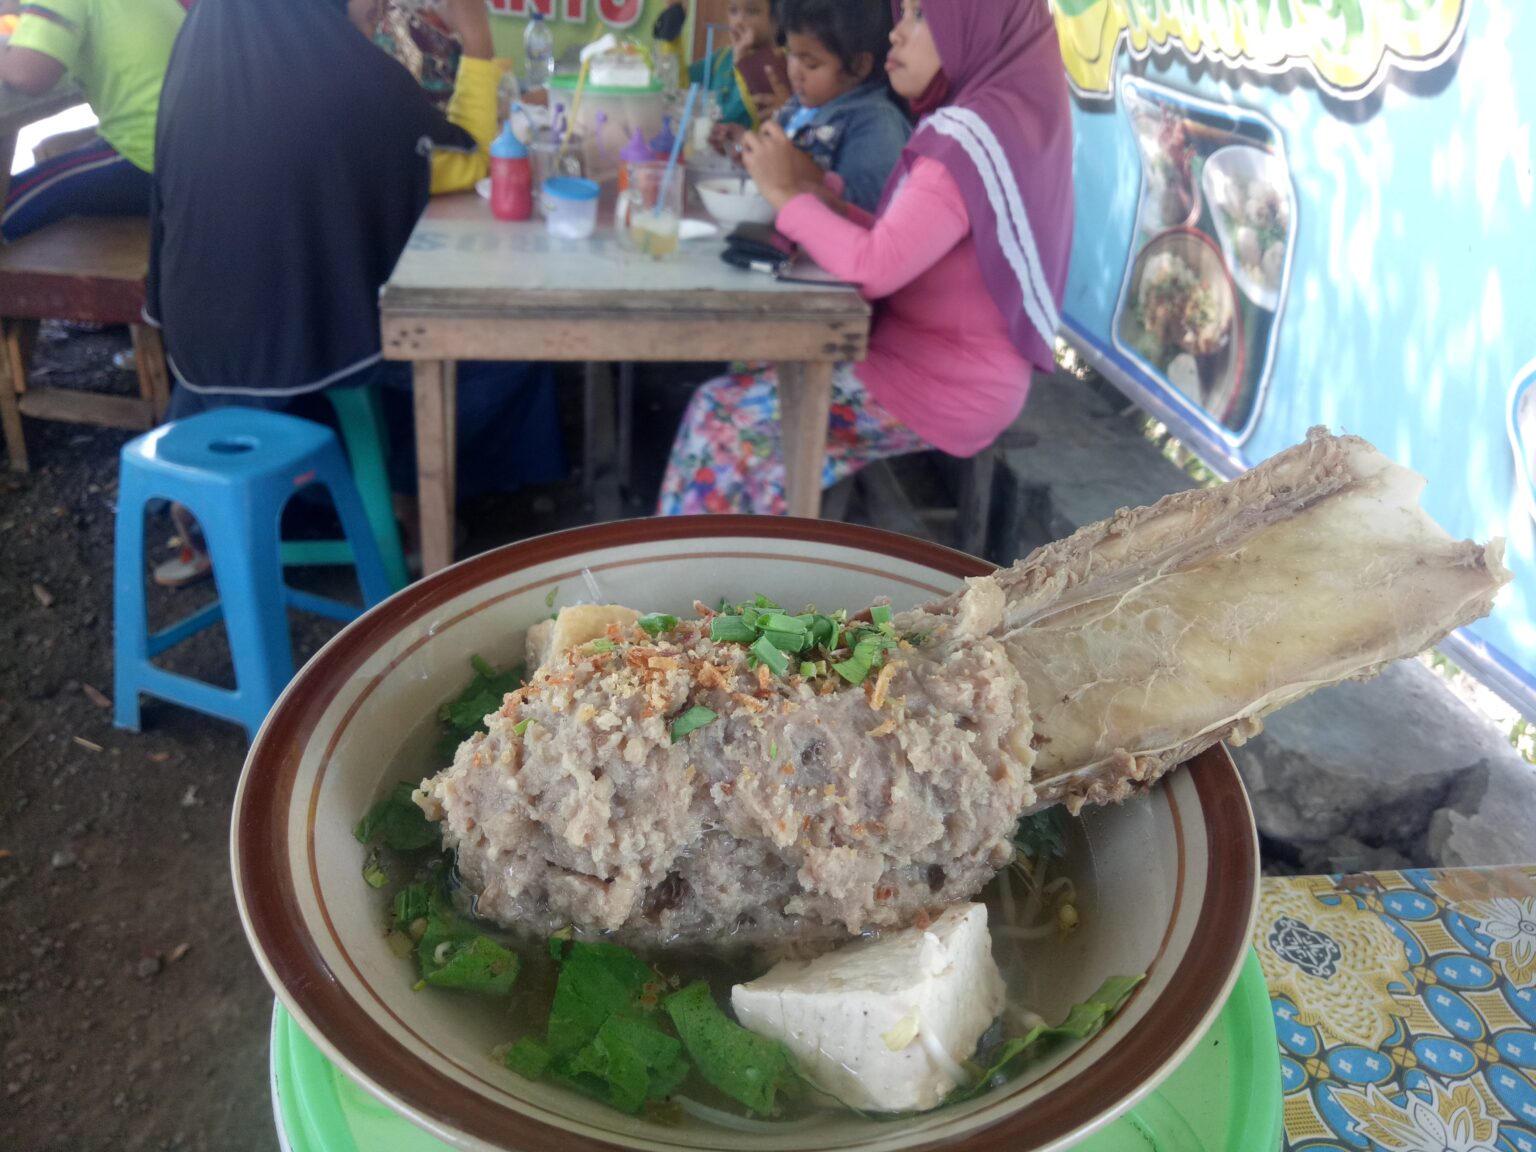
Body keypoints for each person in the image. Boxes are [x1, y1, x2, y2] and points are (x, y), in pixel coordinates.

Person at [145, 0, 564, 583]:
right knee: (507, 350)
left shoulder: (204, 49)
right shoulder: (350, 75)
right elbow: (465, 155)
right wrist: (476, 34)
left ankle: (217, 505)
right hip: (310, 349)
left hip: (198, 349)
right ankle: (402, 498)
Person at [658, 0, 1071, 517]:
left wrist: (787, 193)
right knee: (752, 418)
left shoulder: (969, 136)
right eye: (905, 13)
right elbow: (902, 239)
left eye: (923, 17)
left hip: (941, 384)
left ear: (974, 27)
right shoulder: (992, 123)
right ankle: (737, 566)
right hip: (926, 364)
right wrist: (822, 196)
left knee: (720, 419)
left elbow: (876, 266)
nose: (897, 34)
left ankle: (681, 581)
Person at [0, 0, 185, 242]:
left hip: (152, 158)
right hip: (198, 151)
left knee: (6, 206)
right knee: (52, 149)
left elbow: (28, 74)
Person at [764, 0, 910, 212]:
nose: (794, 72)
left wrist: (800, 170)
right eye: (791, 54)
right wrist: (748, 149)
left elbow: (867, 214)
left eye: (810, 63)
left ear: (859, 66)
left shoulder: (877, 124)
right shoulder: (802, 104)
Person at [689, 0, 789, 130]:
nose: (739, 21)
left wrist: (742, 63)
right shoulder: (722, 56)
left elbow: (744, 113)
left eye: (752, 11)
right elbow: (682, 81)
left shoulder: (784, 62)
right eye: (733, 11)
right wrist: (671, 32)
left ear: (775, 20)